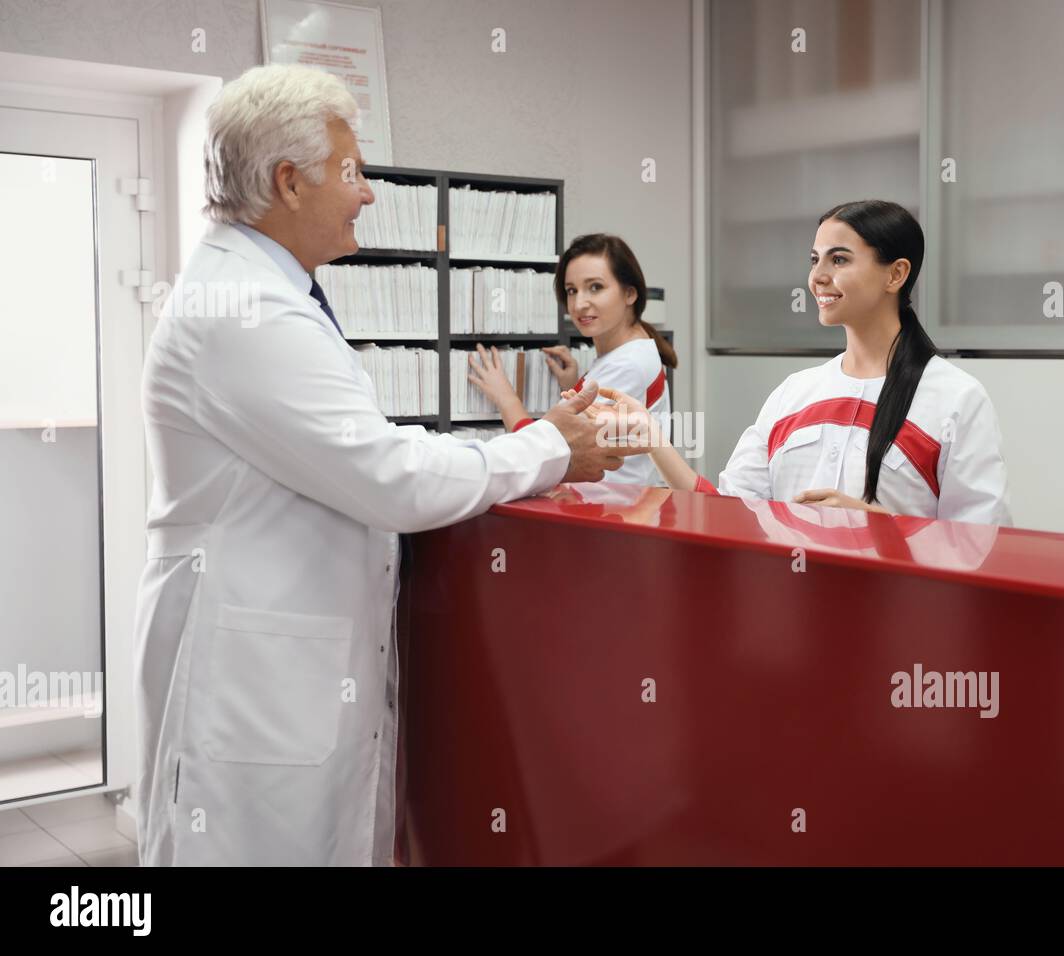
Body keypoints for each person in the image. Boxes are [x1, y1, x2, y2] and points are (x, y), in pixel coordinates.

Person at [133, 64, 641, 866]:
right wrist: (549, 446)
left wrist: (517, 445)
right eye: (353, 171)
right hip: (255, 689)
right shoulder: (246, 310)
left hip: (290, 678)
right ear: (289, 182)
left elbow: (360, 447)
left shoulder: (273, 295)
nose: (367, 192)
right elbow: (387, 477)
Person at [590, 200, 1012, 525]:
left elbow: (983, 545)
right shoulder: (793, 393)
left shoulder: (956, 398)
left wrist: (883, 528)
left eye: (839, 259)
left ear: (896, 274)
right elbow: (727, 515)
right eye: (815, 260)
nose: (818, 277)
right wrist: (652, 438)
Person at [468, 233, 675, 487]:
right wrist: (576, 384)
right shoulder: (630, 351)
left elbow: (543, 455)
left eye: (595, 287)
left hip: (611, 512)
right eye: (571, 290)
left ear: (630, 294)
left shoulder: (627, 365)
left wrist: (505, 398)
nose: (579, 303)